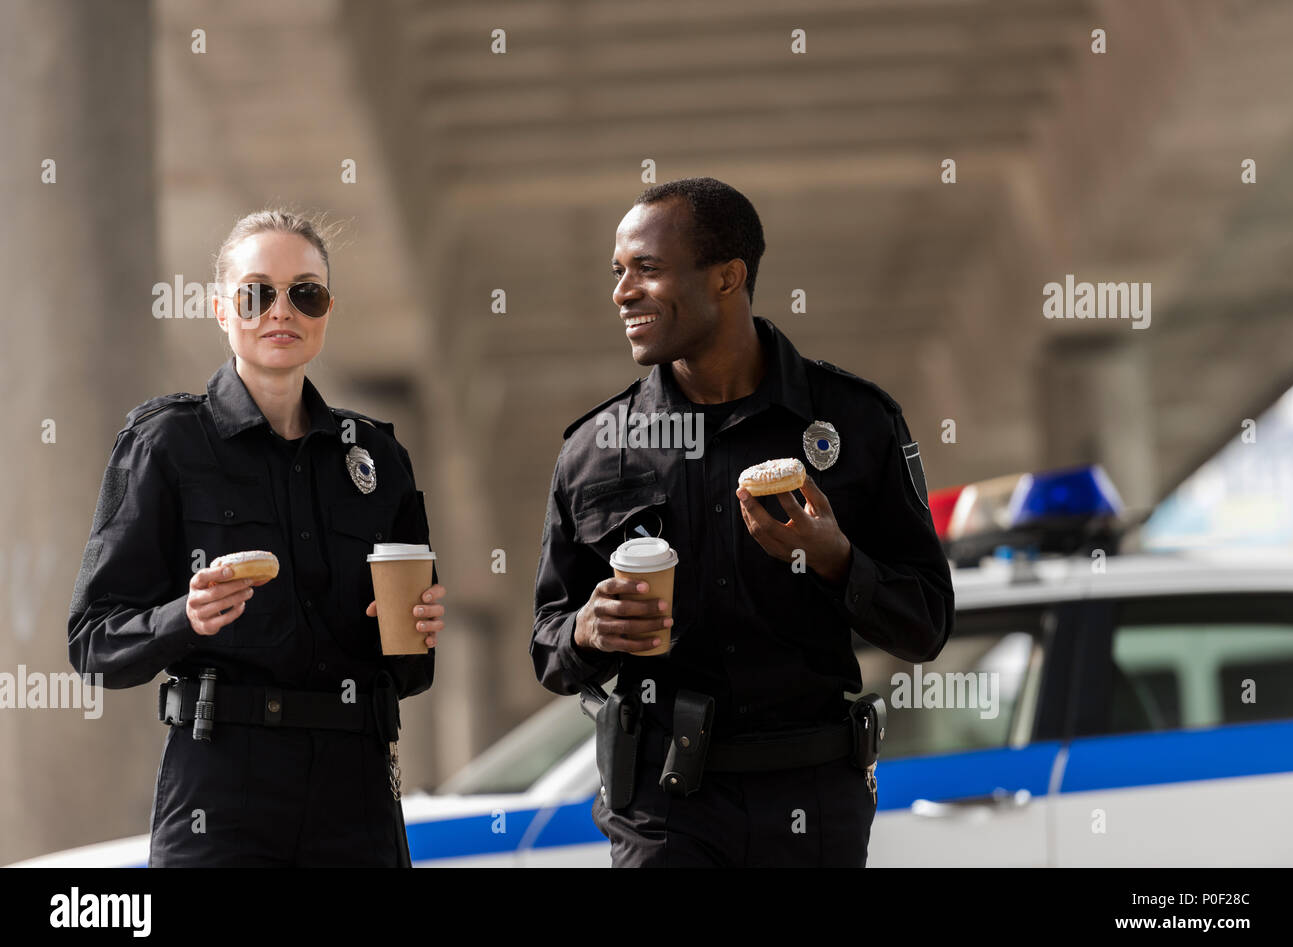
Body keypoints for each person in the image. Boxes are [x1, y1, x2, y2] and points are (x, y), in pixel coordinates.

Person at [531, 178, 954, 866]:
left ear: (727, 276)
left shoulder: (856, 421)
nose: (622, 292)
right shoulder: (594, 448)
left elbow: (927, 623)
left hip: (813, 800)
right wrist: (586, 629)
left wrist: (837, 560)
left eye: (648, 269)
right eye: (618, 272)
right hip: (663, 806)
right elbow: (548, 646)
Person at [68, 209, 447, 867]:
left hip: (354, 793)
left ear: (328, 309)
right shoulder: (166, 444)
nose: (282, 311)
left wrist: (416, 626)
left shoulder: (379, 457)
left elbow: (411, 671)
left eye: (306, 292)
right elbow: (93, 642)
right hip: (222, 790)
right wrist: (183, 617)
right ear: (220, 308)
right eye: (255, 293)